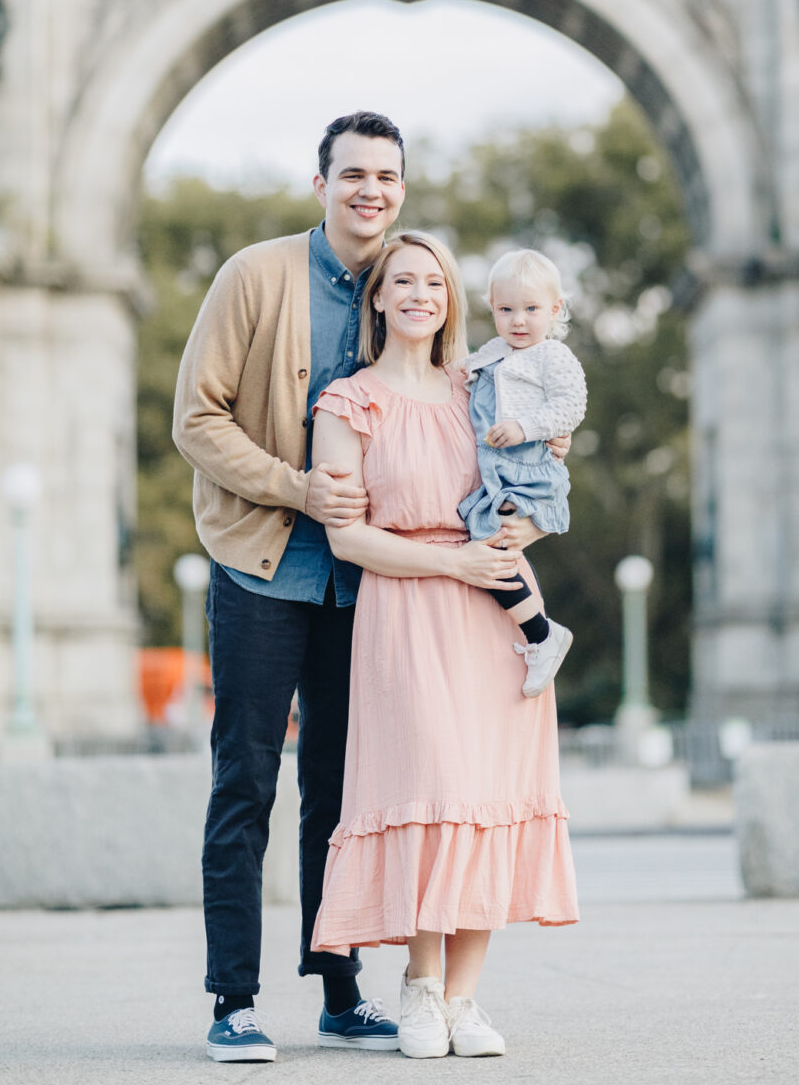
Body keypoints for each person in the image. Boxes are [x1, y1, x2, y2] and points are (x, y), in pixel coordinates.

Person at [173, 111, 409, 1063]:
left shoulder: (409, 283)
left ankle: (340, 991)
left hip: (364, 585)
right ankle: (233, 998)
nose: (370, 192)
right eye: (353, 174)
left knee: (344, 794)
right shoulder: (253, 275)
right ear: (321, 186)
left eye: (387, 178)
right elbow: (197, 417)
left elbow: (450, 398)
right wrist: (294, 483)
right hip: (260, 572)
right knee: (246, 784)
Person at [310, 231, 579, 1060]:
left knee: (487, 796)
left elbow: (543, 482)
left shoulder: (483, 387)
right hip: (408, 606)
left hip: (496, 609)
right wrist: (451, 560)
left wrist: (516, 536)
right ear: (379, 297)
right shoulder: (347, 402)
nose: (421, 293)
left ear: (448, 302)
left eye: (435, 281)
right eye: (404, 280)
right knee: (431, 787)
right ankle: (420, 989)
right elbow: (347, 538)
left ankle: (466, 1000)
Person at [459, 247, 587, 698]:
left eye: (531, 309)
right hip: (500, 477)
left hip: (528, 472)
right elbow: (464, 380)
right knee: (487, 546)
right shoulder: (491, 354)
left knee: (492, 546)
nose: (518, 320)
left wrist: (526, 427)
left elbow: (571, 405)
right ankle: (539, 633)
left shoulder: (552, 356)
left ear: (555, 310)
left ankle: (542, 634)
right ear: (492, 309)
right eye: (506, 309)